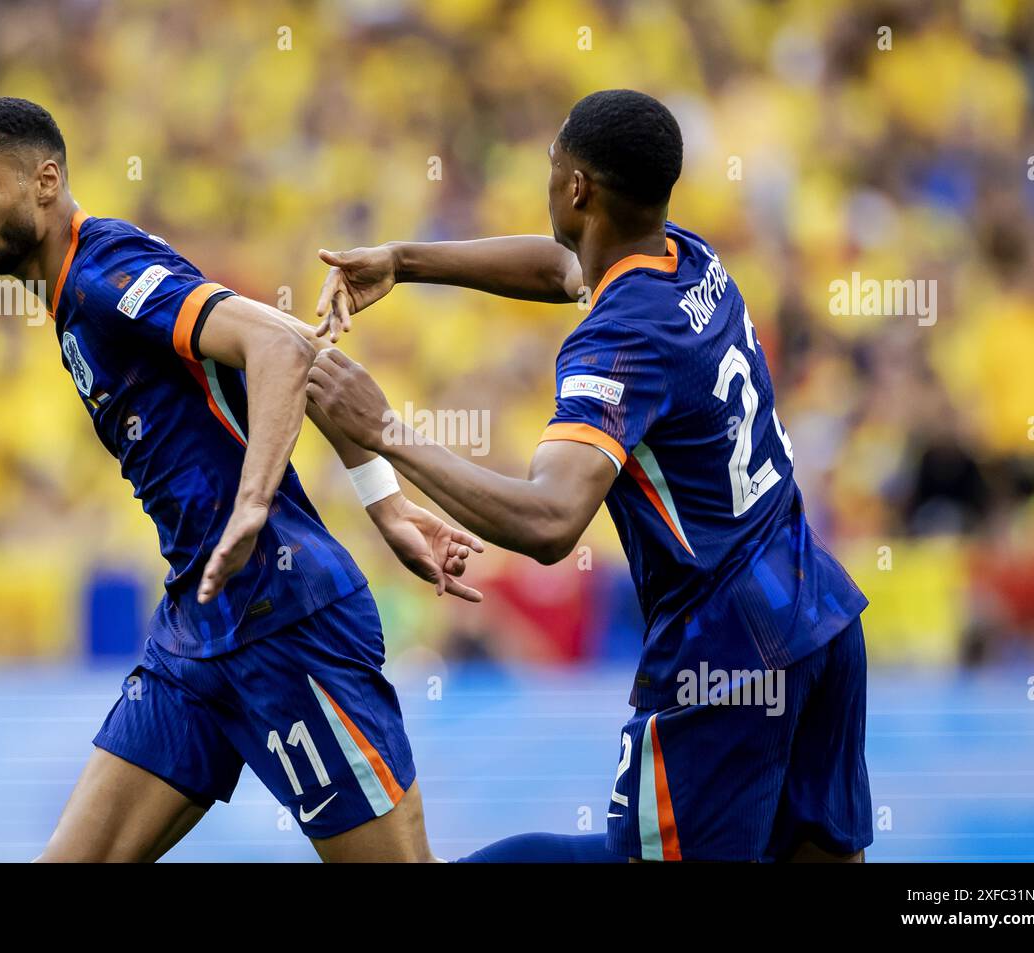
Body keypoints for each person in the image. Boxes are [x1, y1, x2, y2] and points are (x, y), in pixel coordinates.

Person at [309, 89, 873, 862]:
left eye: (552, 166)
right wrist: (406, 262)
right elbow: (564, 269)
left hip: (726, 654)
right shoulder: (688, 258)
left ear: (577, 188)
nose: (547, 181)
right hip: (818, 611)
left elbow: (549, 520)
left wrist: (384, 430)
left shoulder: (620, 339)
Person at [0, 96, 483, 862]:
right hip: (196, 629)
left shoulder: (104, 276)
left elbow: (283, 353)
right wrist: (383, 504)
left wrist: (257, 503)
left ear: (45, 181)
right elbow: (300, 342)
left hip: (288, 623)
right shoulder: (81, 291)